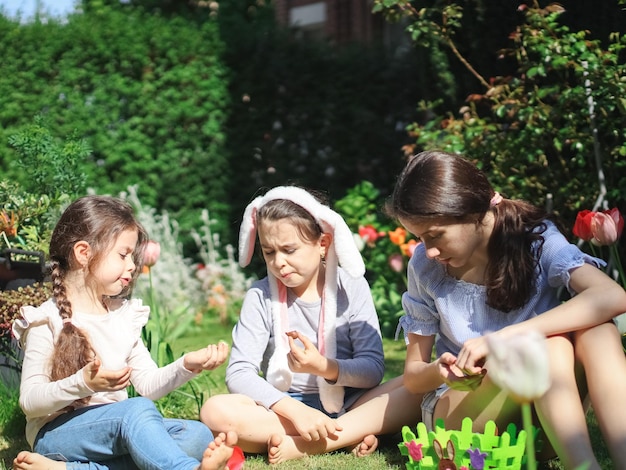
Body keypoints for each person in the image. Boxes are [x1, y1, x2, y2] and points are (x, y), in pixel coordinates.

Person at [386, 150, 626, 470]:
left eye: (435, 235)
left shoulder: (534, 240)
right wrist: (443, 371)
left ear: (472, 212)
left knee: (599, 330)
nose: (428, 250)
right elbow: (414, 380)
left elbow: (612, 295)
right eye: (420, 238)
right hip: (461, 414)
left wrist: (505, 337)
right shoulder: (425, 267)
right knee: (547, 344)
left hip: (538, 423)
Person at [11, 195, 241, 470]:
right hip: (57, 436)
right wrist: (83, 383)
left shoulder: (122, 315)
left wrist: (186, 365)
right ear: (83, 253)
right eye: (123, 254)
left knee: (196, 435)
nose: (132, 265)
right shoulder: (45, 320)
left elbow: (147, 385)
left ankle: (71, 469)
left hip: (116, 430)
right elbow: (30, 401)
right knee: (136, 413)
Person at [200, 186, 424, 463]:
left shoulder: (351, 287)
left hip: (351, 402)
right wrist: (296, 411)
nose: (278, 262)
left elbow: (373, 370)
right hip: (284, 411)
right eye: (269, 252)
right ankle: (348, 433)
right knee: (215, 411)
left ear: (323, 244)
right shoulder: (259, 296)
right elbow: (239, 373)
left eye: (289, 250)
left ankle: (314, 442)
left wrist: (322, 367)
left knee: (422, 387)